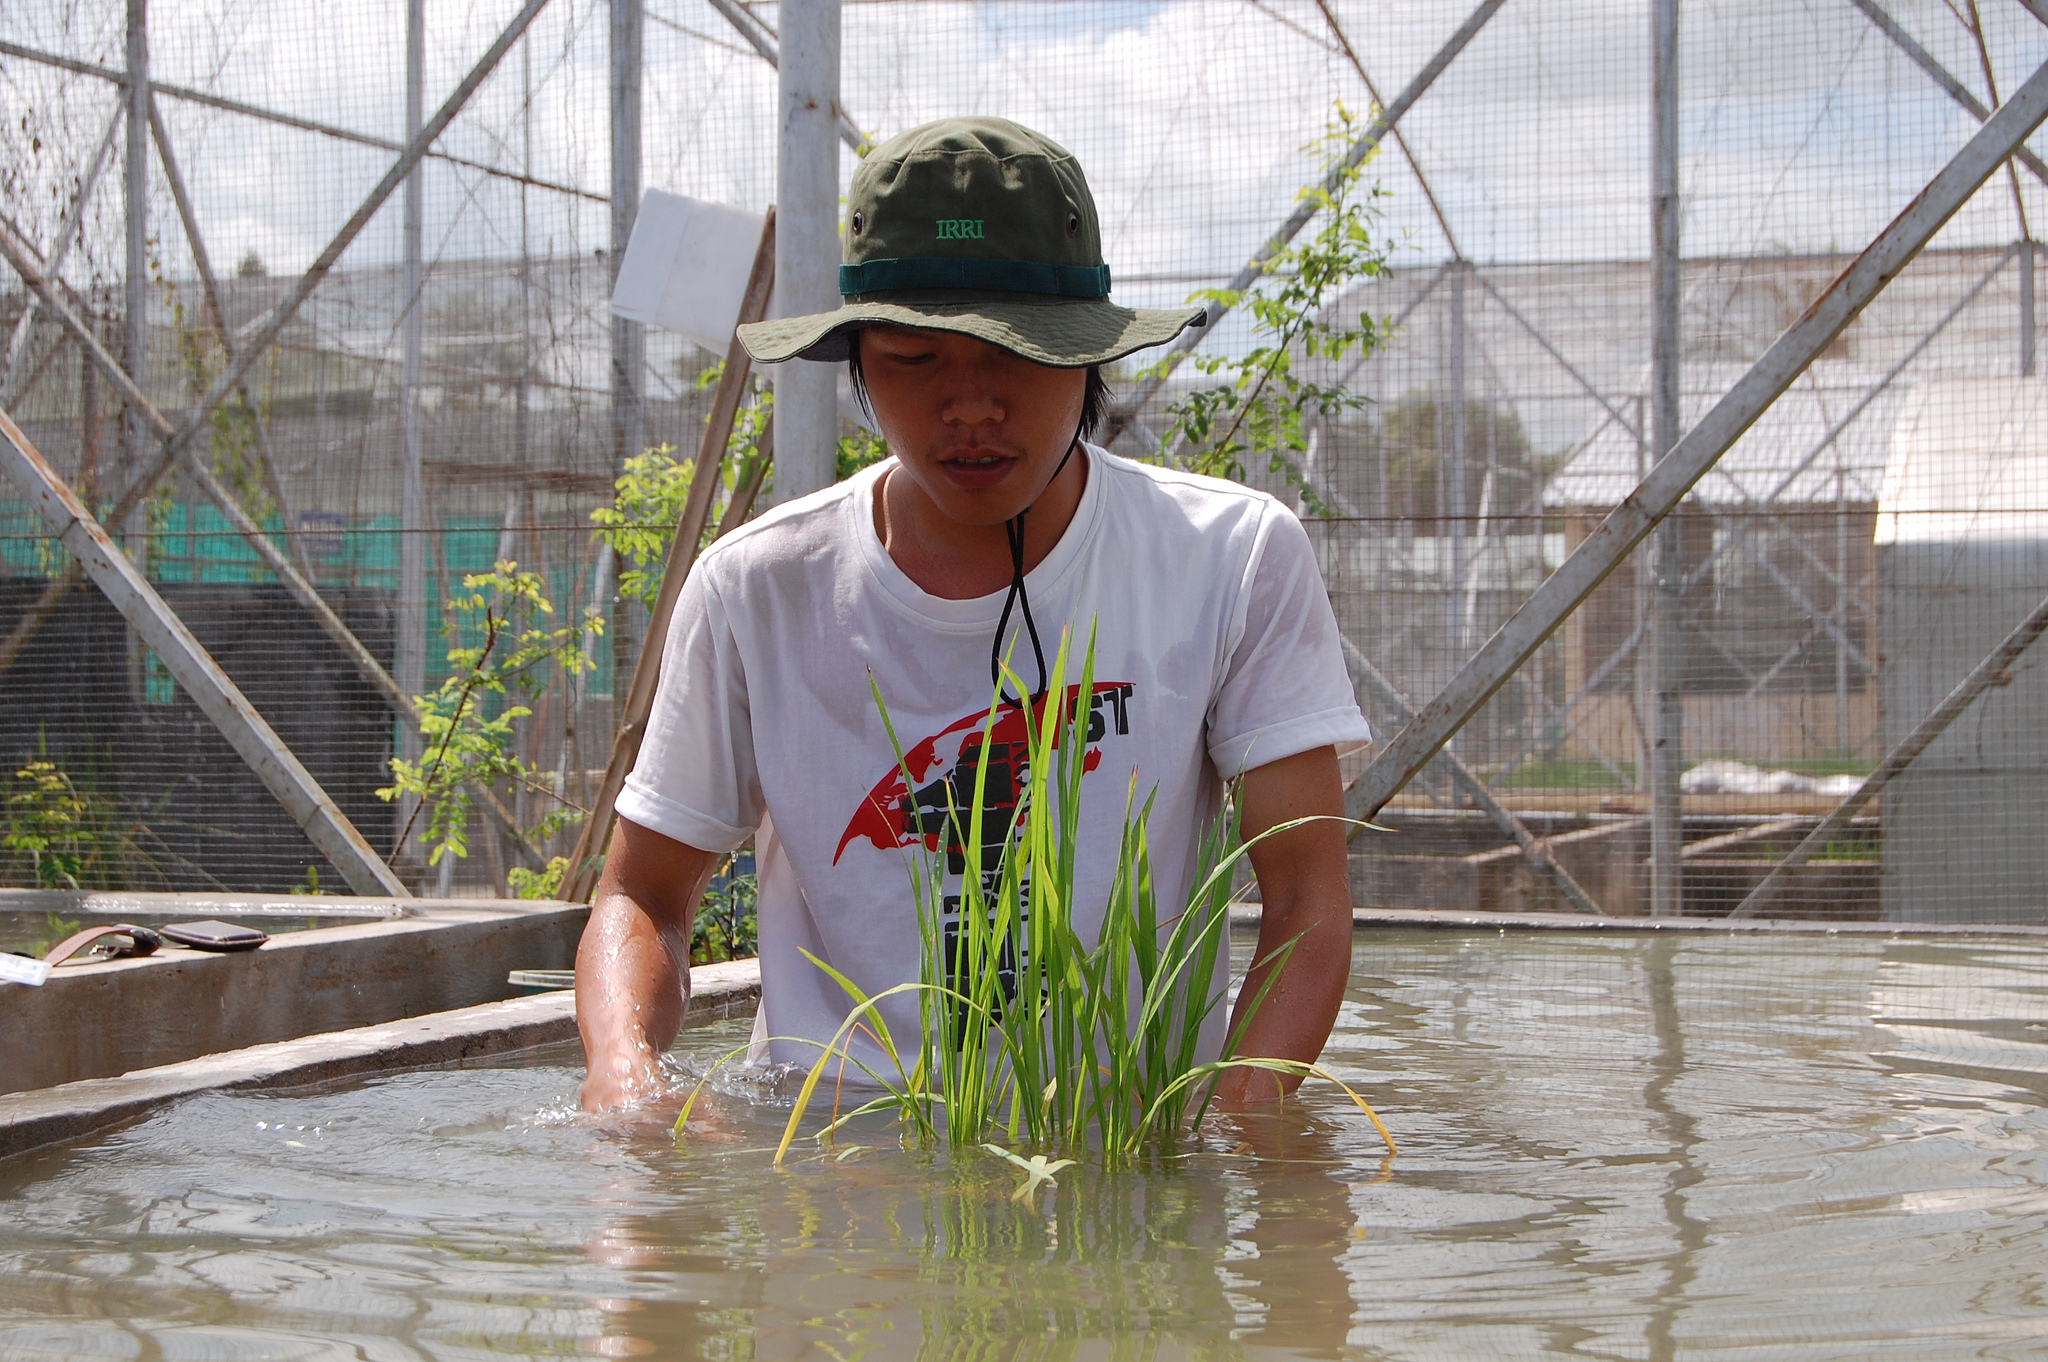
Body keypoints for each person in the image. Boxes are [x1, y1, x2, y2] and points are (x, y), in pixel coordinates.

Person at [578, 116, 1370, 1113]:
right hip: (829, 1156)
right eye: (914, 359)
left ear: (1088, 361)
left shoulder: (1226, 558)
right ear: (858, 360)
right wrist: (623, 1072)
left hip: (1119, 1137)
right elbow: (642, 895)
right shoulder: (758, 587)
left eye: (1017, 359)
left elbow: (1304, 897)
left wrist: (1231, 1130)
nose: (969, 408)